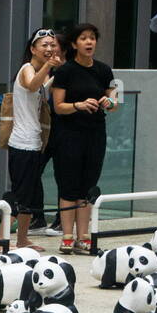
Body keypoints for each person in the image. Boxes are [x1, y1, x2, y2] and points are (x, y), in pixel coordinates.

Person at [50, 23, 117, 255]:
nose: (89, 42)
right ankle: (67, 236)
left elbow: (114, 99)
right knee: (68, 183)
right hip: (69, 134)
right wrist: (78, 105)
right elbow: (58, 107)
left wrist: (110, 102)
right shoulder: (65, 71)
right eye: (83, 38)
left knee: (88, 185)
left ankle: (83, 236)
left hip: (95, 133)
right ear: (74, 44)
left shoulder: (104, 70)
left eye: (92, 38)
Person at [6, 28, 63, 249]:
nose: (49, 49)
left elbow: (40, 88)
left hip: (35, 142)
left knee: (28, 196)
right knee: (19, 195)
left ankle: (21, 239)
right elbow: (31, 84)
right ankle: (4, 239)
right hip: (21, 143)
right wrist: (49, 66)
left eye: (52, 44)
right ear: (32, 49)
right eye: (44, 45)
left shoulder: (41, 71)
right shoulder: (27, 68)